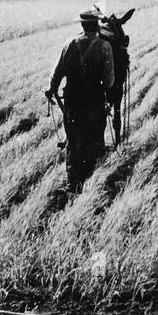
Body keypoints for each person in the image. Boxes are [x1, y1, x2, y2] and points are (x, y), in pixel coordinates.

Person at [47, 10, 115, 191]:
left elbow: (56, 73)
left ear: (82, 25)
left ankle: (72, 182)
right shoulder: (105, 46)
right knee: (94, 139)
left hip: (72, 101)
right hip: (94, 101)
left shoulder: (69, 43)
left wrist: (51, 88)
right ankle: (93, 181)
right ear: (97, 25)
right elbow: (108, 81)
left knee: (73, 140)